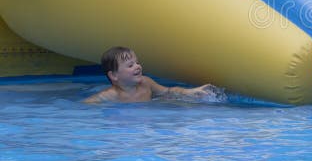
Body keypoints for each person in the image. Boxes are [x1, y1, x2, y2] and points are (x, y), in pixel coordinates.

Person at [83, 46, 215, 103]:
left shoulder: (146, 83)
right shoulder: (111, 95)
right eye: (130, 65)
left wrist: (189, 92)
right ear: (114, 76)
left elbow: (168, 91)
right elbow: (87, 104)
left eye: (137, 62)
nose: (137, 66)